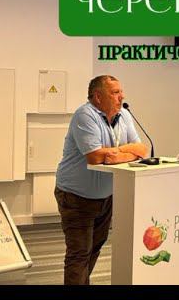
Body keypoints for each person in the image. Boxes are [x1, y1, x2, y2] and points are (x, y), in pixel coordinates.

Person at [54, 75, 148, 285]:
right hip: (76, 196)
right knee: (79, 253)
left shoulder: (124, 115)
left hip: (105, 197)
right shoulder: (85, 115)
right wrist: (124, 152)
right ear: (98, 97)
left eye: (121, 91)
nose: (122, 96)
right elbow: (95, 157)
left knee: (95, 247)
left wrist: (116, 153)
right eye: (115, 93)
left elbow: (142, 150)